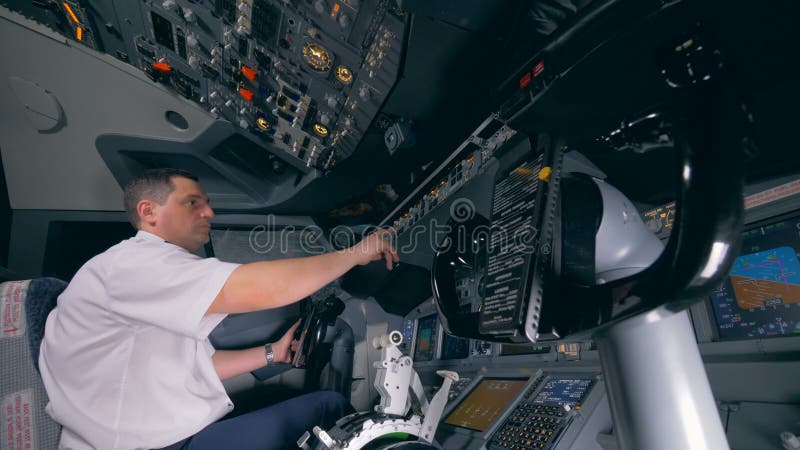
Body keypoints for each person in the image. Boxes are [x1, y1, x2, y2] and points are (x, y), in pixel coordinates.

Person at [38, 168, 399, 450]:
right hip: (148, 445)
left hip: (149, 436)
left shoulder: (140, 276)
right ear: (148, 211)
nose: (209, 211)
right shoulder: (131, 266)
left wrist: (272, 353)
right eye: (192, 203)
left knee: (312, 405)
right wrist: (356, 253)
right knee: (328, 409)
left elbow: (195, 364)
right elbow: (264, 288)